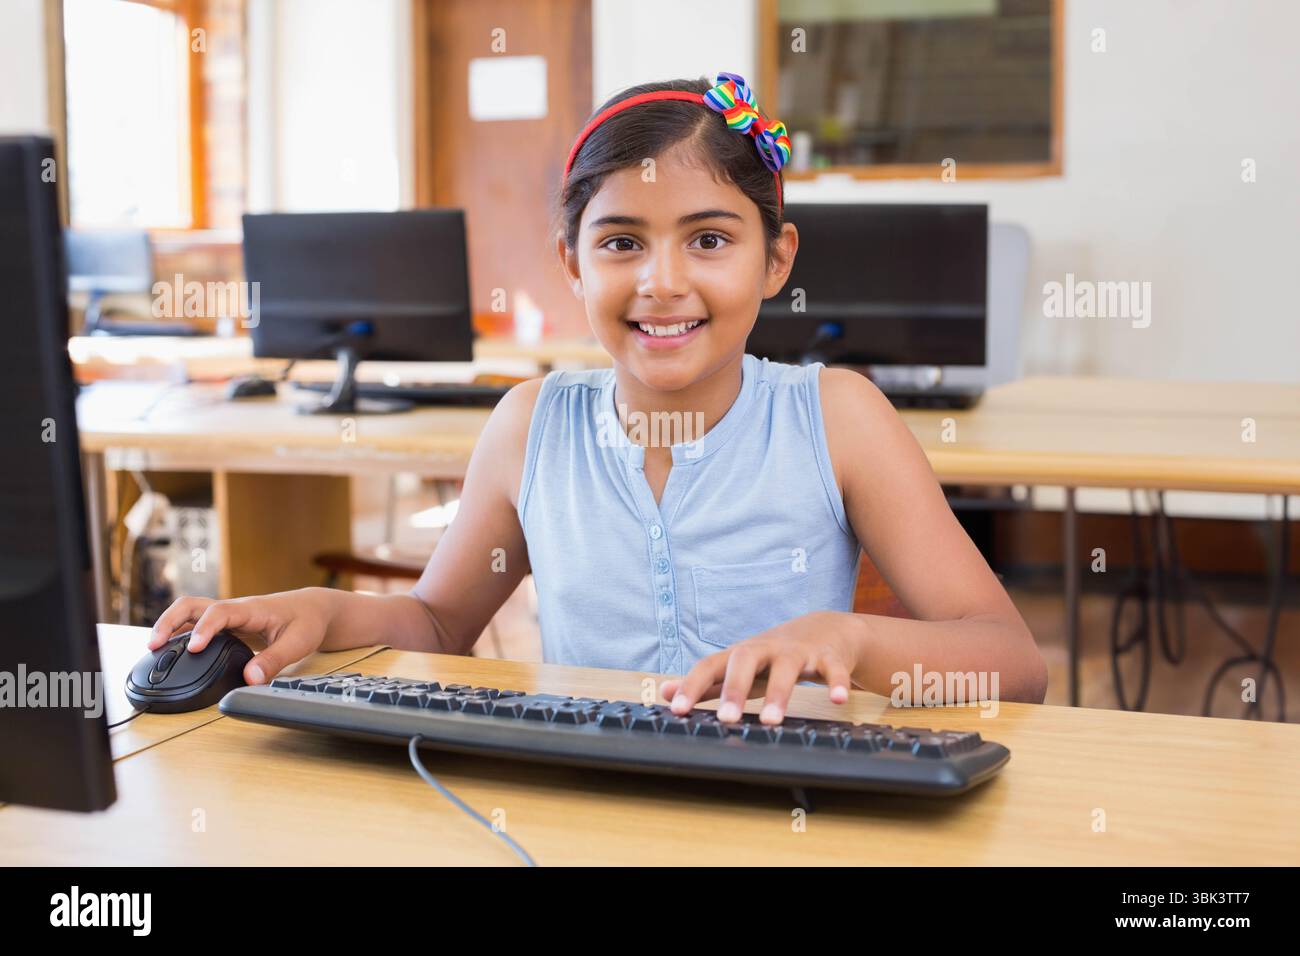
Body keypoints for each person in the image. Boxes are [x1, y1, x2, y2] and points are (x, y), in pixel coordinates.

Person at [150, 72, 1047, 725]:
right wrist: (322, 609)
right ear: (572, 263)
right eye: (621, 242)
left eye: (708, 239)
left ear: (775, 261)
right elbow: (435, 622)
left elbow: (1011, 664)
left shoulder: (836, 416)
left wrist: (848, 641)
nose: (662, 281)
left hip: (784, 809)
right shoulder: (531, 426)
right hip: (582, 804)